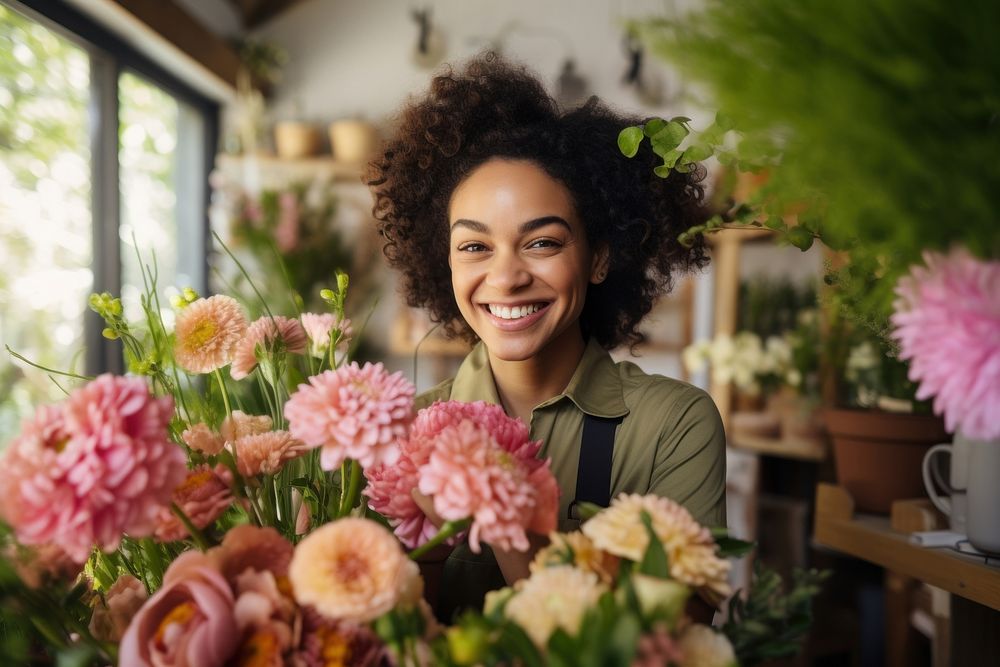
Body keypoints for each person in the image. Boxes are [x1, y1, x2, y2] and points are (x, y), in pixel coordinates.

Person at [366, 52, 726, 618]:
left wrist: (504, 523)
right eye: (474, 247)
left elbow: (677, 637)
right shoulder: (397, 437)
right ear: (446, 265)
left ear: (599, 257)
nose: (506, 278)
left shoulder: (673, 427)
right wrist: (424, 551)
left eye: (542, 243)